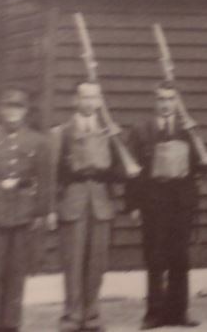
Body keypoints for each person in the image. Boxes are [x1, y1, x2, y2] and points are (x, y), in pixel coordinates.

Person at [126, 83, 206, 329]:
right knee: (155, 257)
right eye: (161, 99)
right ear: (155, 101)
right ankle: (154, 314)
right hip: (153, 203)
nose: (165, 104)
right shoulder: (141, 130)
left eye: (170, 99)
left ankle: (179, 312)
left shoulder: (187, 129)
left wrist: (196, 138)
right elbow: (134, 172)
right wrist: (133, 206)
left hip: (181, 203)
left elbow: (202, 168)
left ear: (176, 102)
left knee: (180, 258)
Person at [53, 82, 129, 332]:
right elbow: (54, 173)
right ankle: (72, 316)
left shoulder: (109, 132)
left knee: (97, 261)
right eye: (84, 97)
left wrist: (110, 162)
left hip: (100, 200)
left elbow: (121, 172)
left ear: (99, 101)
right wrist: (54, 206)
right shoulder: (63, 132)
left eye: (94, 97)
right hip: (73, 199)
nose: (89, 102)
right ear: (76, 100)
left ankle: (92, 314)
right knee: (72, 260)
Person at [0, 88, 52, 332]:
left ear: (26, 111)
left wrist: (41, 212)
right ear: (0, 110)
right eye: (8, 107)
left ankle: (11, 323)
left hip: (22, 214)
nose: (12, 112)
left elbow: (45, 179)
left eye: (18, 107)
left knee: (17, 273)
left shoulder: (38, 141)